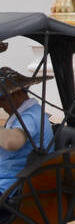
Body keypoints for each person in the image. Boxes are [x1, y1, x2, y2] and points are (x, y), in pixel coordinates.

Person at [0, 67, 55, 200]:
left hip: (11, 185)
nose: (0, 105)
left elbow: (12, 142)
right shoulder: (20, 114)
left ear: (17, 92)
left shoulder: (30, 117)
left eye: (2, 98)